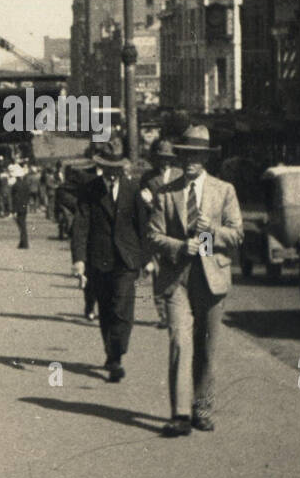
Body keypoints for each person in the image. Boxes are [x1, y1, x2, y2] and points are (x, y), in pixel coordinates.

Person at [148, 123, 244, 437]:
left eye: (197, 155)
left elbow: (238, 234)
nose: (191, 161)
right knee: (180, 341)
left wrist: (210, 230)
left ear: (206, 158)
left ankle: (202, 408)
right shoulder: (166, 192)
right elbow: (153, 236)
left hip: (210, 275)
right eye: (186, 155)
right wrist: (179, 246)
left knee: (205, 347)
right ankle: (180, 415)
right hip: (178, 276)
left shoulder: (223, 190)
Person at [70, 137, 150, 382]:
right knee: (106, 309)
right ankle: (111, 353)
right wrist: (79, 260)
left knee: (122, 307)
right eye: (108, 169)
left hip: (127, 259)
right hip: (99, 258)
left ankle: (116, 356)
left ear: (121, 168)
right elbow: (81, 226)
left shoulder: (133, 189)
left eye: (117, 169)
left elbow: (143, 226)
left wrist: (147, 259)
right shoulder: (90, 189)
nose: (113, 174)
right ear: (101, 167)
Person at [141, 138, 180, 328]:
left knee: (177, 271)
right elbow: (141, 203)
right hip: (156, 230)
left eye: (167, 158)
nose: (164, 162)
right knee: (158, 272)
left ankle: (176, 310)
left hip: (177, 232)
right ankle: (163, 314)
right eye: (160, 158)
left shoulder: (179, 176)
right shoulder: (148, 178)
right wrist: (147, 203)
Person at [13, 163, 35, 249]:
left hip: (18, 206)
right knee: (23, 223)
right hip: (24, 205)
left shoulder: (15, 186)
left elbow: (14, 198)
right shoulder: (26, 185)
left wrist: (13, 209)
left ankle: (24, 242)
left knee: (21, 224)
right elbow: (28, 195)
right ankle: (23, 242)